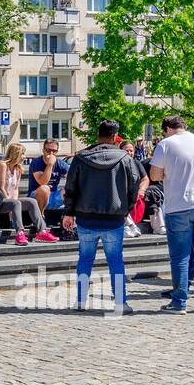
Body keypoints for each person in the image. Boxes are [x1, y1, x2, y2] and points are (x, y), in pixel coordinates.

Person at [62, 119, 143, 314]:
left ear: (97, 134)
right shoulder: (125, 158)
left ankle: (81, 301)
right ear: (115, 137)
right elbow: (134, 188)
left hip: (86, 217)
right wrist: (125, 210)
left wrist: (69, 213)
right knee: (115, 261)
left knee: (85, 259)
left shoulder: (81, 158)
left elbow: (70, 188)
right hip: (114, 218)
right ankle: (120, 302)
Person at [149, 115, 194, 315]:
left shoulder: (166, 144)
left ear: (168, 129)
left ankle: (179, 303)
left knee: (180, 256)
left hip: (180, 204)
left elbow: (155, 176)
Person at [0, 143, 57, 246]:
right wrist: (11, 203)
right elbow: (1, 187)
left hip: (11, 201)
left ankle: (42, 231)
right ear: (16, 154)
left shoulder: (18, 169)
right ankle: (19, 233)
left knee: (31, 201)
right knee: (15, 203)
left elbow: (15, 189)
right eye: (22, 154)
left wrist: (14, 200)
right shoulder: (2, 165)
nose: (24, 156)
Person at [28, 138, 70, 217]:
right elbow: (43, 182)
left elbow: (72, 179)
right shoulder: (36, 163)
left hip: (54, 196)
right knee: (44, 188)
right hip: (37, 197)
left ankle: (68, 217)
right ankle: (39, 218)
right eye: (48, 150)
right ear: (43, 150)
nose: (51, 153)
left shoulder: (60, 163)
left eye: (54, 151)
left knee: (72, 189)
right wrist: (50, 165)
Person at [120, 140, 151, 238]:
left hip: (136, 193)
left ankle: (159, 226)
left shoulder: (136, 163)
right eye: (126, 151)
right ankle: (131, 225)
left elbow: (145, 179)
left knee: (154, 196)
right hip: (122, 194)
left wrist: (141, 189)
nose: (129, 153)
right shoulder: (118, 163)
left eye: (131, 151)